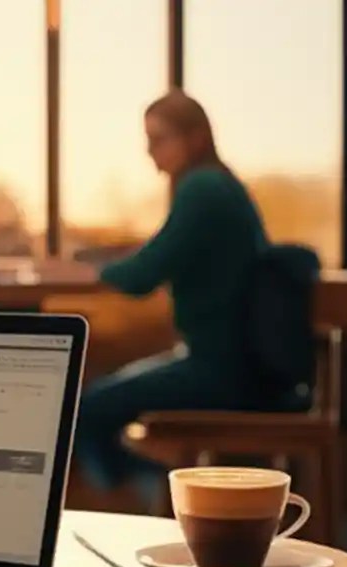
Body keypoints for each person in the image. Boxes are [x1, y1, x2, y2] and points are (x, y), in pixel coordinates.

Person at [48, 90, 271, 499]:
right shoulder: (217, 185)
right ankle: (164, 493)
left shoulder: (202, 189)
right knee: (93, 399)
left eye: (159, 139)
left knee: (83, 410)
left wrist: (85, 270)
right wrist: (94, 259)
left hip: (218, 369)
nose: (150, 152)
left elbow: (143, 275)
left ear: (195, 138)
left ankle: (160, 494)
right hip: (231, 360)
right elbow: (156, 249)